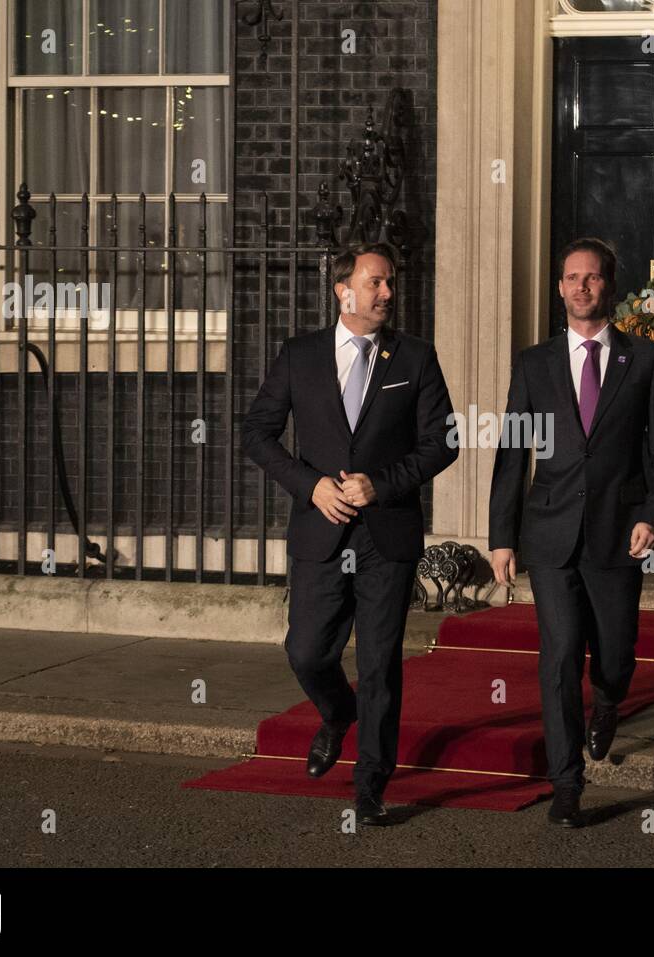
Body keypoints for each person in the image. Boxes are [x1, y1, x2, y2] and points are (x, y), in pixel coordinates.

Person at [242, 241, 458, 826]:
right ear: (343, 290)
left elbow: (443, 443)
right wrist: (310, 486)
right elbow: (257, 433)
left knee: (382, 661)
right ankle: (337, 715)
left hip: (386, 534)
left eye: (390, 282)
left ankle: (370, 786)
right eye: (376, 282)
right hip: (320, 529)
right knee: (307, 650)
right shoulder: (300, 355)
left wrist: (381, 485)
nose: (387, 293)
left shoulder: (414, 358)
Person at [488, 237, 654, 828]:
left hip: (618, 535)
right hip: (549, 535)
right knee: (559, 657)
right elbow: (511, 453)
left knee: (616, 654)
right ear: (560, 288)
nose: (581, 287)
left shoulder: (646, 361)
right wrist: (502, 536)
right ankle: (567, 784)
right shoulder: (534, 363)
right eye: (572, 278)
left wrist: (652, 515)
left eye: (592, 277)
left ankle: (608, 702)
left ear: (609, 285)